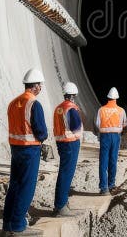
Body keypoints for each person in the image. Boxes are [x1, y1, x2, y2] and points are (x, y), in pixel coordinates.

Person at [2, 68, 48, 235]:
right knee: (26, 187)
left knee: (14, 185)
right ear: (35, 86)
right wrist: (43, 137)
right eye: (40, 85)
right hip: (30, 150)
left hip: (16, 149)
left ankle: (7, 224)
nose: (41, 88)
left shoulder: (14, 103)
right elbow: (41, 132)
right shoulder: (34, 104)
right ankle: (18, 225)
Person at [52, 81, 83, 216]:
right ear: (73, 95)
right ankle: (61, 206)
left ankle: (62, 203)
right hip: (71, 143)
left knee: (63, 173)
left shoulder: (58, 108)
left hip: (61, 143)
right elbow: (76, 127)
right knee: (67, 174)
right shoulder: (71, 108)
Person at [96, 87, 126, 195]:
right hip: (115, 136)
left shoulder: (101, 109)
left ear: (108, 97)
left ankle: (104, 188)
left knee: (103, 161)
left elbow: (97, 124)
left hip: (104, 136)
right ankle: (111, 185)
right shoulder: (121, 110)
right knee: (113, 160)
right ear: (116, 98)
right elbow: (124, 124)